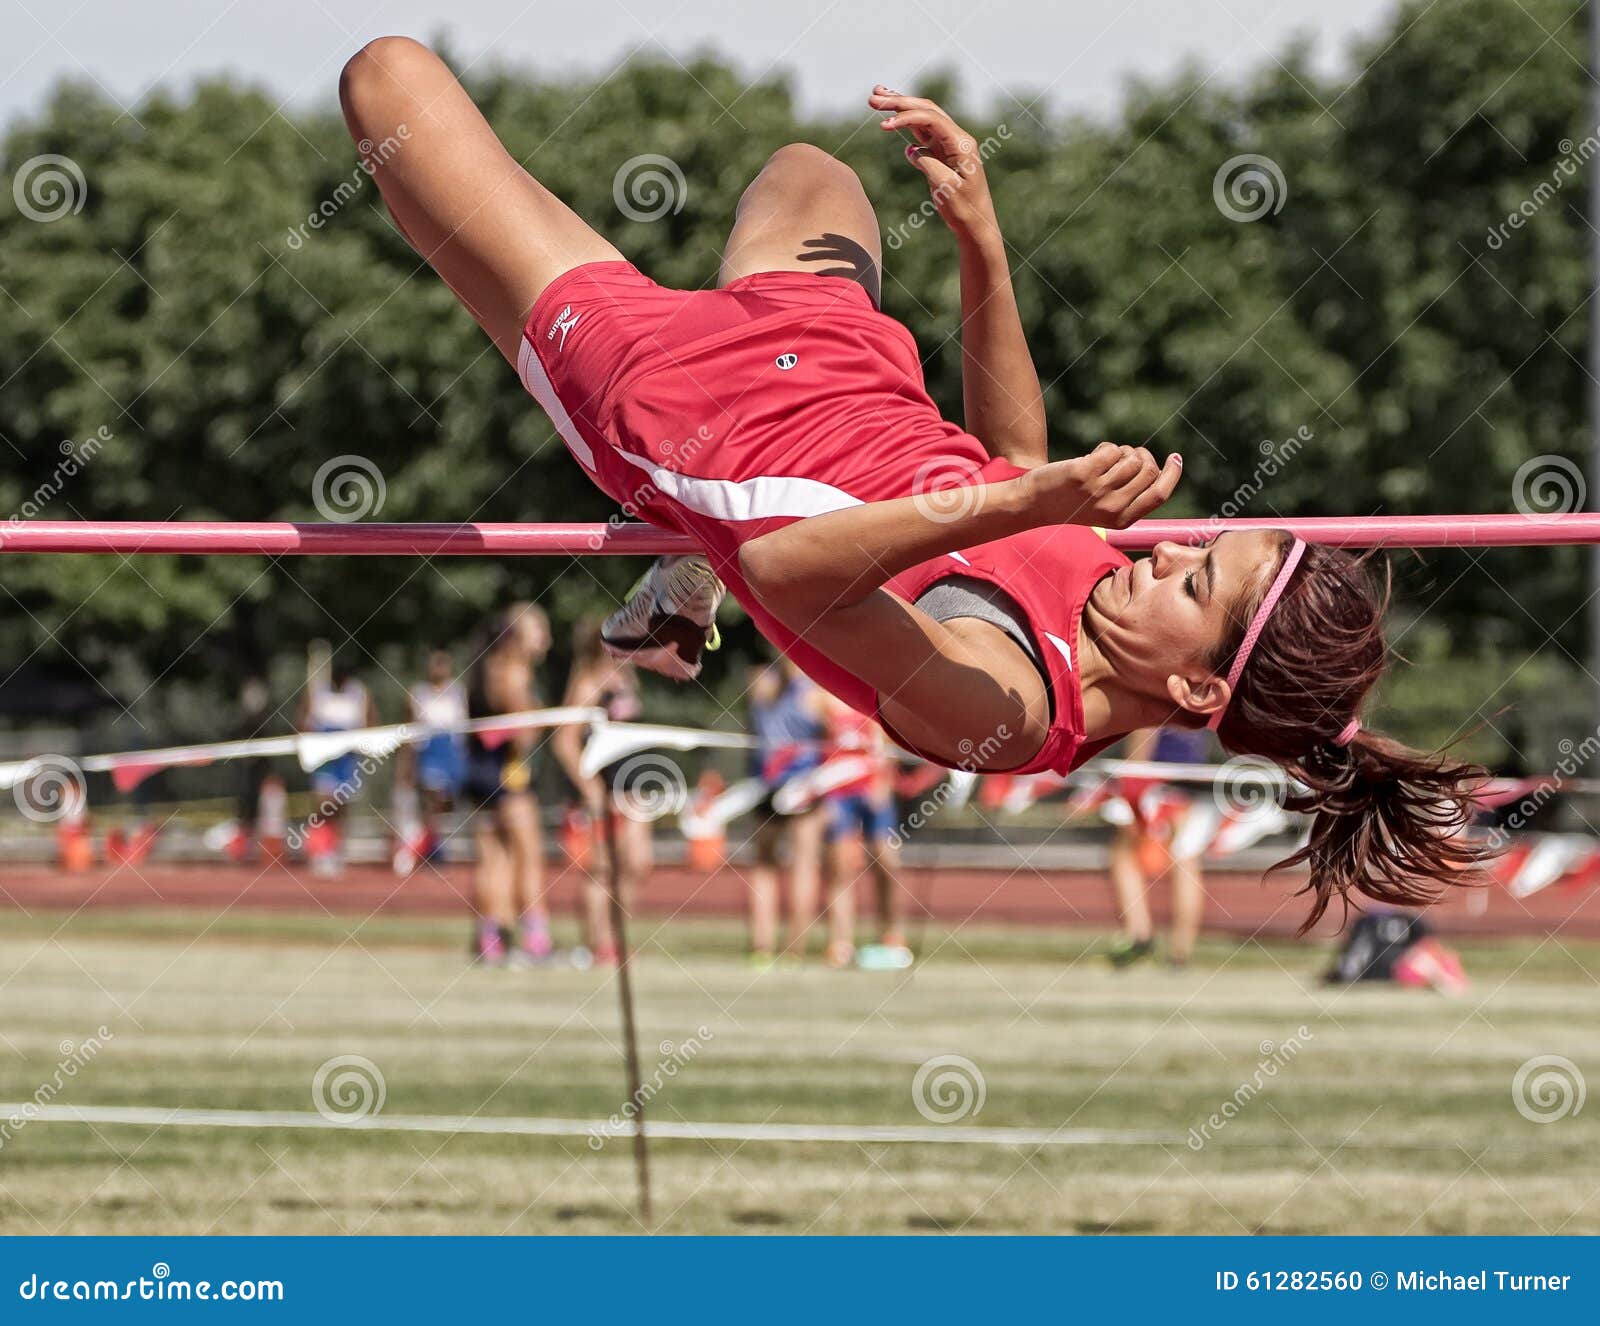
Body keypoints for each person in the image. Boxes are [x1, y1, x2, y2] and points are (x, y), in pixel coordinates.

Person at [339, 40, 1485, 928]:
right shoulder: (1110, 602)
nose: (1171, 552)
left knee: (386, 81)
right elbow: (1009, 463)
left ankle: (686, 550)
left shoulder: (1008, 708)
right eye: (1200, 549)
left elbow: (790, 573)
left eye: (1196, 582)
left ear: (1194, 688)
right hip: (845, 363)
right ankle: (685, 574)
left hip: (689, 414)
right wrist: (980, 236)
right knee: (811, 171)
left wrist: (1025, 505)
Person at [552, 616, 654, 967]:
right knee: (601, 869)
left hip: (632, 788)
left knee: (637, 864)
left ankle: (617, 938)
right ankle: (599, 944)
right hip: (603, 790)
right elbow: (564, 742)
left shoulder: (627, 679)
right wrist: (591, 789)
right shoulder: (587, 684)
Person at [463, 602, 553, 964]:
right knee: (527, 857)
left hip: (481, 772)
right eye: (539, 632)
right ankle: (536, 938)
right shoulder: (514, 672)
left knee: (493, 859)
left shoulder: (486, 667)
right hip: (508, 775)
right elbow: (523, 730)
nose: (546, 640)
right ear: (516, 637)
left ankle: (491, 940)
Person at [817, 694, 912, 970]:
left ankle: (892, 935)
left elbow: (887, 746)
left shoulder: (871, 694)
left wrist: (882, 783)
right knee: (840, 868)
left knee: (887, 862)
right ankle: (841, 943)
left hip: (873, 790)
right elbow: (817, 748)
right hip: (838, 793)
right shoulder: (822, 699)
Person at [745, 658, 829, 963]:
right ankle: (795, 949)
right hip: (803, 788)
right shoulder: (817, 693)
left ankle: (761, 947)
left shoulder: (759, 684)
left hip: (766, 785)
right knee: (803, 865)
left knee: (763, 866)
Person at [1106, 727, 1210, 969]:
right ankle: (1180, 950)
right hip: (1191, 780)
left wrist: (1131, 784)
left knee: (1126, 852)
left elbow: (1144, 734)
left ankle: (1139, 935)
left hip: (1158, 782)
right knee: (1185, 857)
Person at [297, 657, 378, 876]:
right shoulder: (317, 692)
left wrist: (365, 743)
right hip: (324, 757)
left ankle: (335, 850)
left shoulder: (359, 693)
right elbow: (302, 721)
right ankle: (320, 850)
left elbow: (371, 721)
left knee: (342, 806)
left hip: (348, 757)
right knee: (324, 803)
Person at [404, 648, 468, 860]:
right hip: (429, 751)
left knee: (447, 802)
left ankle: (437, 841)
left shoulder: (458, 691)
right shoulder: (418, 692)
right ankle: (432, 846)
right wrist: (408, 763)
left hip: (451, 751)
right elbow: (410, 729)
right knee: (433, 798)